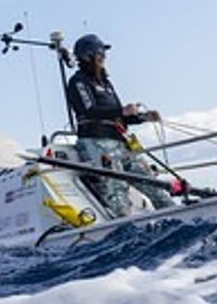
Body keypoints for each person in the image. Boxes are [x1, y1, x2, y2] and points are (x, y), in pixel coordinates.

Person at [65, 33, 178, 216]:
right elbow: (89, 110)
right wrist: (122, 111)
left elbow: (120, 116)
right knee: (116, 190)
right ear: (88, 56)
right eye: (100, 53)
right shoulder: (78, 81)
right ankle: (125, 227)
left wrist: (144, 117)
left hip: (121, 144)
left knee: (151, 182)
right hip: (96, 143)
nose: (104, 58)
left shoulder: (107, 83)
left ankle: (175, 214)